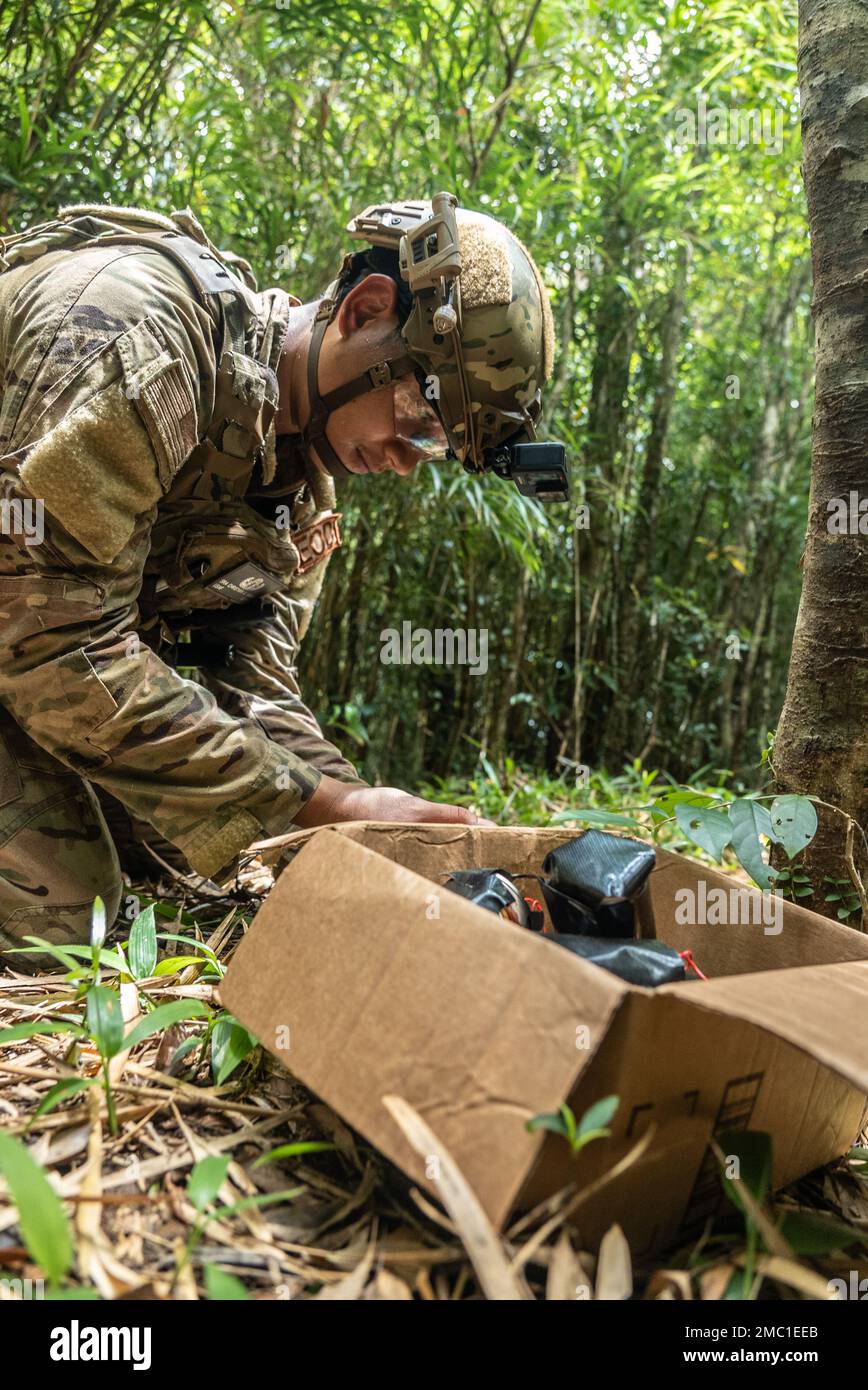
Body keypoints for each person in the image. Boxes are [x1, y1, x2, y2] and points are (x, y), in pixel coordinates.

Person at [0, 192, 555, 963]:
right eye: (420, 421)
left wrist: (364, 824)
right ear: (365, 309)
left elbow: (248, 678)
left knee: (175, 865)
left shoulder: (288, 472)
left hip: (27, 646)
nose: (402, 461)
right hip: (27, 643)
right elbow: (47, 646)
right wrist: (314, 806)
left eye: (432, 450)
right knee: (64, 916)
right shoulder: (140, 343)